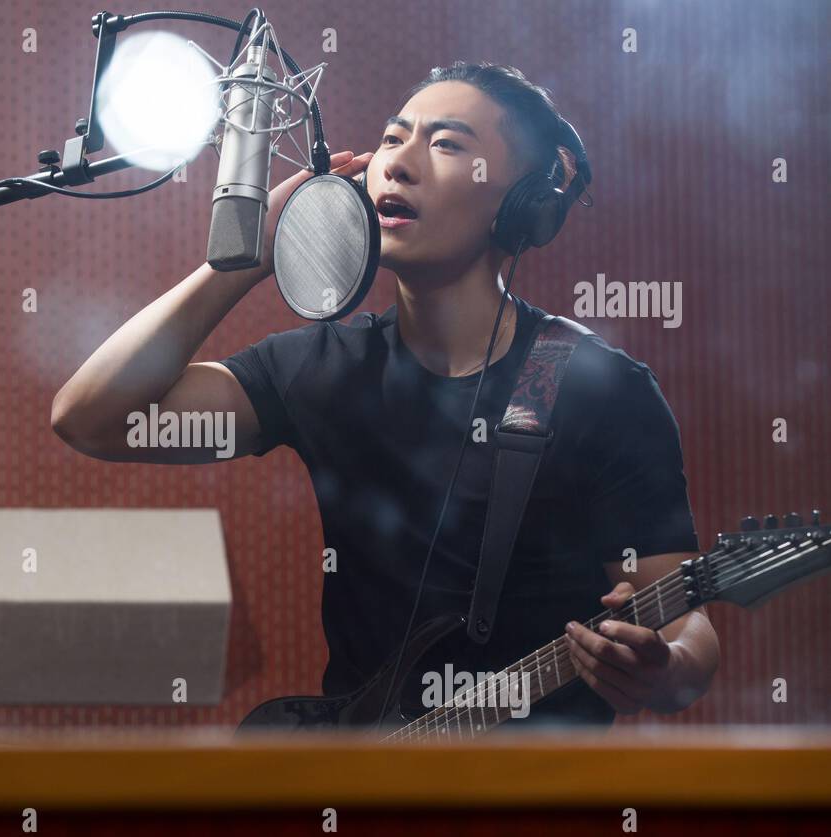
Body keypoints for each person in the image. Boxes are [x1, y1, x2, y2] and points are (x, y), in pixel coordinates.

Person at [51, 61, 719, 728]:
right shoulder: (323, 365)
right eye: (394, 139)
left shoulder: (600, 390)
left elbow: (689, 624)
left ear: (523, 203)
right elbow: (93, 419)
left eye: (448, 143)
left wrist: (663, 668)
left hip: (530, 807)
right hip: (359, 797)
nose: (397, 164)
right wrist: (241, 259)